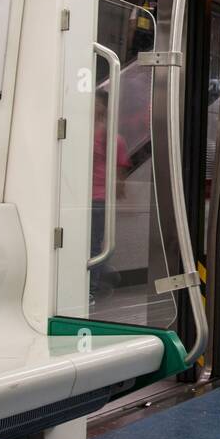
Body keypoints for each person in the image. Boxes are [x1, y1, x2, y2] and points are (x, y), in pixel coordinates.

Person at [90, 91, 131, 308]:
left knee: (92, 245)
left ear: (104, 108)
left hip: (98, 199)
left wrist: (117, 190)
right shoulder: (84, 133)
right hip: (82, 198)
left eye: (96, 104)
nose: (92, 107)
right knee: (90, 245)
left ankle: (92, 288)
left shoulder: (111, 138)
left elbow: (119, 175)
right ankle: (106, 275)